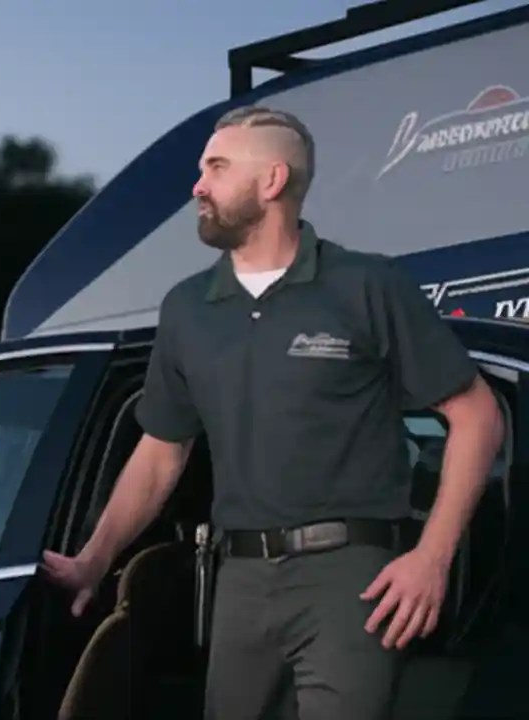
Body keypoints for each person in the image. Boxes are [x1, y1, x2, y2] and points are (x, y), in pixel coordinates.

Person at [40, 106, 505, 719]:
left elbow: (478, 416)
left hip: (352, 577)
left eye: (216, 167)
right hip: (238, 583)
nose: (197, 185)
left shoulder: (368, 286)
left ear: (272, 181)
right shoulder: (187, 310)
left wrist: (431, 557)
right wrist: (93, 561)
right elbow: (160, 451)